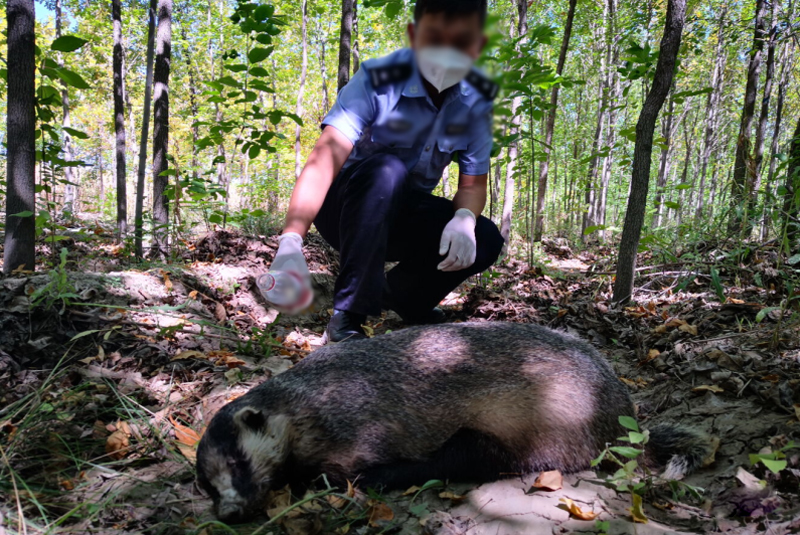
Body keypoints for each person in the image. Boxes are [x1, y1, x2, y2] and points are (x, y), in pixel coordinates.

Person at [270, 0, 504, 343]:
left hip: (403, 212)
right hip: (346, 209)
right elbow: (325, 159)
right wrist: (291, 240)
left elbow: (473, 183)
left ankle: (402, 298)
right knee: (387, 169)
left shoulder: (475, 105)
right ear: (414, 35)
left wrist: (465, 217)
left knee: (486, 238)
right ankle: (348, 315)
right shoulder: (379, 79)